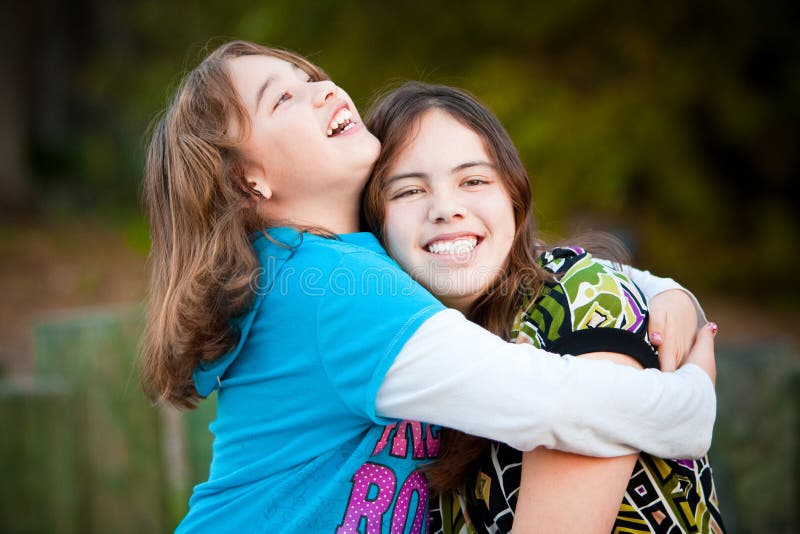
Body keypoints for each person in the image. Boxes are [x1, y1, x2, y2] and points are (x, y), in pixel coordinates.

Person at [140, 40, 718, 532]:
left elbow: (515, 262)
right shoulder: (335, 288)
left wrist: (663, 291)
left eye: (309, 77)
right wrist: (691, 399)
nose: (323, 89)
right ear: (247, 180)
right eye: (282, 98)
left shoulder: (322, 268)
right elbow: (550, 402)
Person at [363, 81, 725, 533]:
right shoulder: (401, 339)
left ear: (513, 196)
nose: (446, 208)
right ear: (373, 222)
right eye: (409, 191)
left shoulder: (584, 305)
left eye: (474, 180)